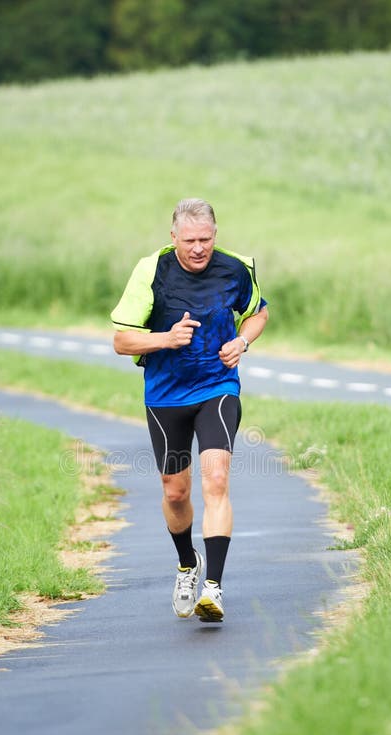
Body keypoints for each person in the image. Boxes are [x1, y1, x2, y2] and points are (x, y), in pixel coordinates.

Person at [111, 198, 269, 623]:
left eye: (206, 239)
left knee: (216, 480)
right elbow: (121, 341)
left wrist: (242, 341)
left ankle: (213, 588)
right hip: (165, 395)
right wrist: (166, 339)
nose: (199, 248)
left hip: (218, 387)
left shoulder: (234, 269)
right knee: (175, 492)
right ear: (173, 237)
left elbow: (259, 313)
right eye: (190, 241)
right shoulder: (152, 271)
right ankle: (187, 565)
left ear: (215, 235)